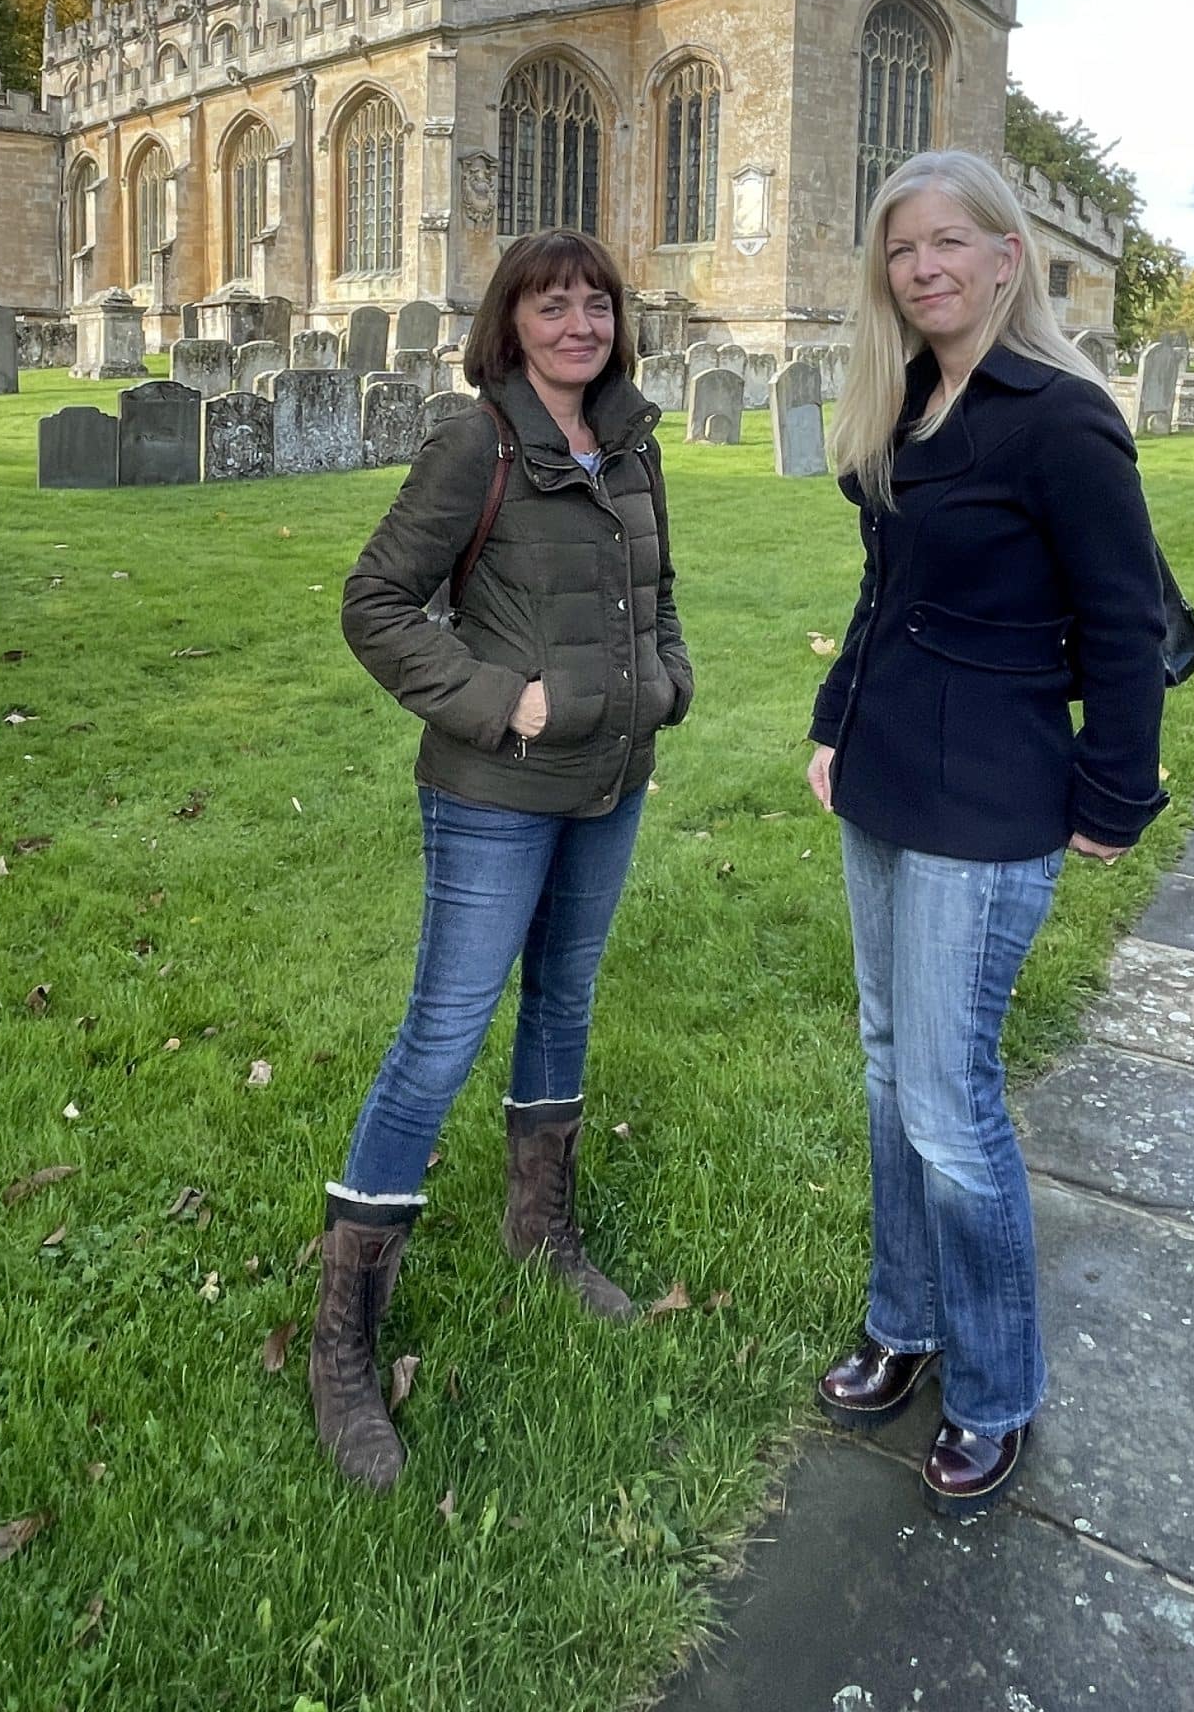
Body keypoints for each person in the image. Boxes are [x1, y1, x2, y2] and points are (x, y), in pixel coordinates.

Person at [806, 148, 1166, 1518]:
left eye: (950, 241)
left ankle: (997, 1385)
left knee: (951, 1106)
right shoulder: (905, 402)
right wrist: (834, 725)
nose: (924, 267)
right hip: (888, 774)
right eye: (903, 248)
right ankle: (903, 1322)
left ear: (1009, 256)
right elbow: (883, 589)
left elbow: (1123, 622)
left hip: (993, 792)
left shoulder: (1060, 419)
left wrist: (1115, 795)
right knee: (890, 1068)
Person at [313, 230, 694, 1491]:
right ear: (511, 323)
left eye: (597, 304)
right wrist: (500, 700)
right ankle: (344, 1339)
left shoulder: (630, 440)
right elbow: (375, 601)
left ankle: (543, 1231)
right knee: (444, 1033)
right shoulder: (474, 442)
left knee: (564, 1000)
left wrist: (667, 679)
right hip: (495, 791)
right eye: (552, 304)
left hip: (611, 781)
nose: (580, 323)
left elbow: (657, 590)